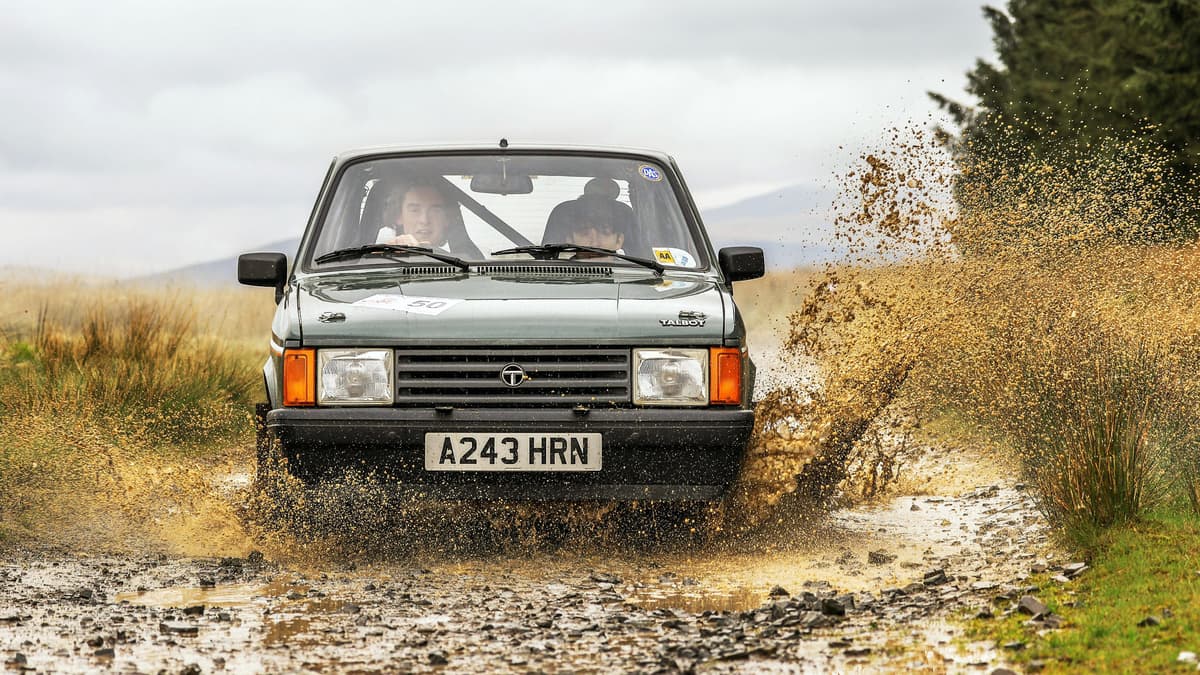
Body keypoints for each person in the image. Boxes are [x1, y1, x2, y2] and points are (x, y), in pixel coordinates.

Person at [373, 178, 481, 257]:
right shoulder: (375, 260)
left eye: (435, 211)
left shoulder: (471, 265)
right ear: (399, 216)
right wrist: (387, 252)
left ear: (447, 218)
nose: (424, 220)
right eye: (415, 210)